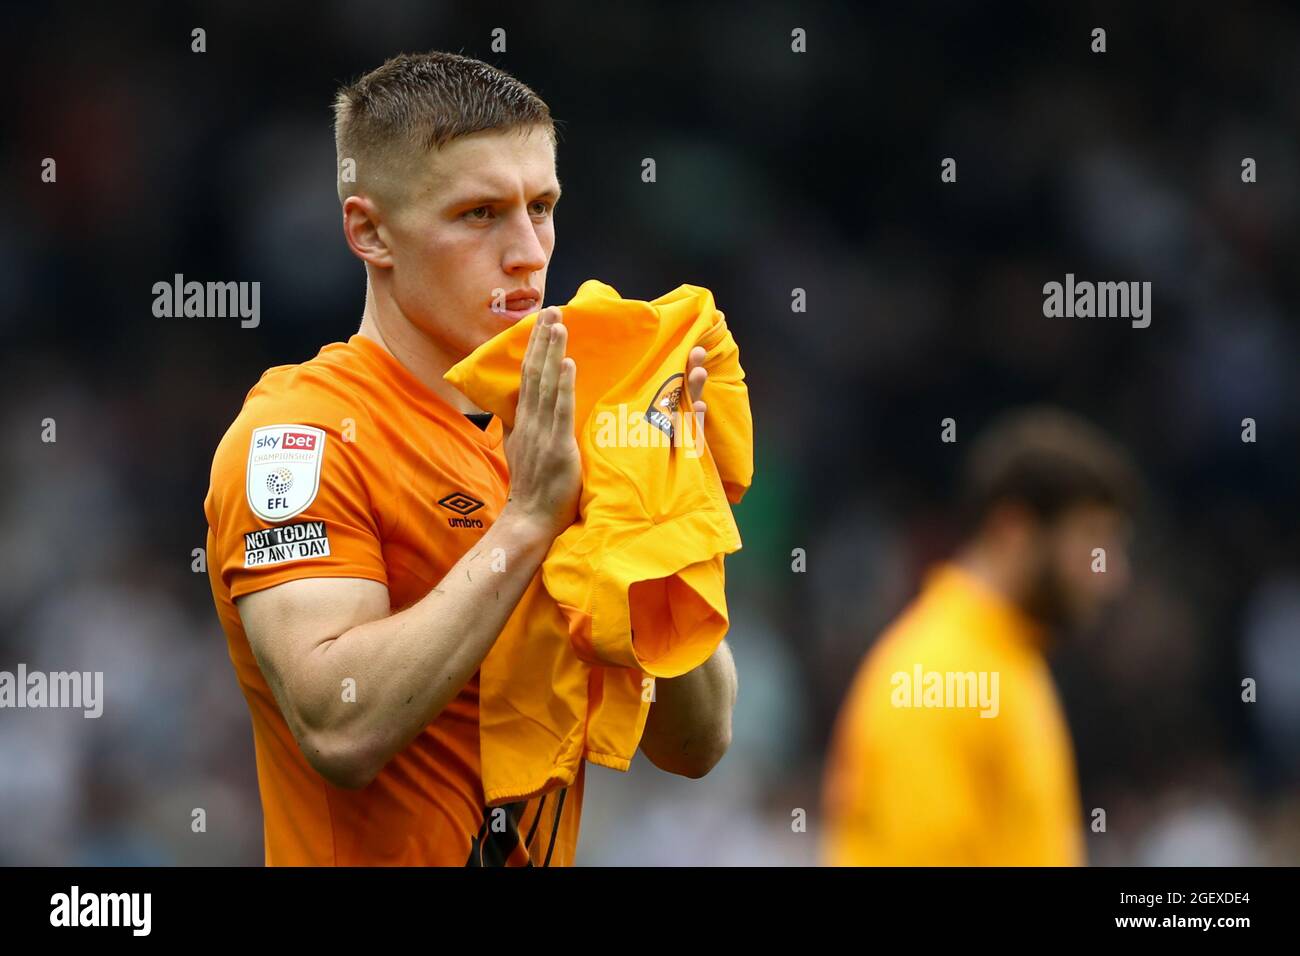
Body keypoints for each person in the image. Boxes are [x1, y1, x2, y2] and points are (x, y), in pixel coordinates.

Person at [203, 51, 737, 866]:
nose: (528, 251)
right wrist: (529, 522)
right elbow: (339, 725)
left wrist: (655, 515)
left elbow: (698, 742)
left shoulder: (569, 427)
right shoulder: (299, 435)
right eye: (480, 214)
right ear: (369, 231)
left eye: (543, 206)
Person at [822, 407, 1140, 865]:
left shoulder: (1010, 662)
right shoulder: (937, 674)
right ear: (1014, 530)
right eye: (1094, 541)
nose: (1112, 576)